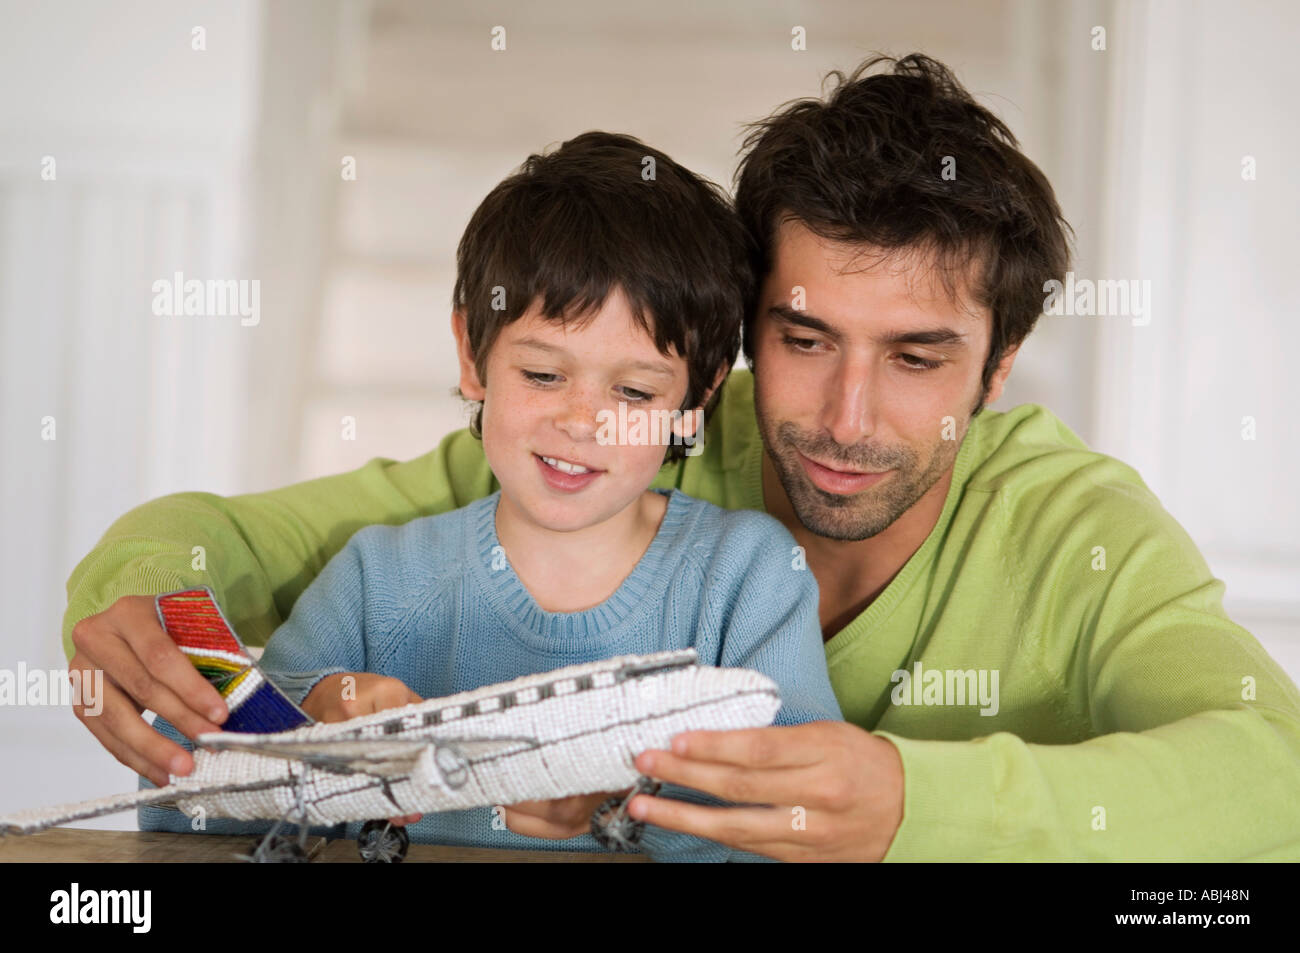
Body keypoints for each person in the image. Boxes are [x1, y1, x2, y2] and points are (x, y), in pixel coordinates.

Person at [64, 54, 1300, 861]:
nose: (847, 412)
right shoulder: (617, 450)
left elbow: (1273, 777)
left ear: (1001, 360)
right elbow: (232, 543)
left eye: (918, 357)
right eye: (804, 337)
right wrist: (124, 586)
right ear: (738, 334)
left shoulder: (1068, 525)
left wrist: (915, 801)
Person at [130, 131, 843, 860]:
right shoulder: (378, 581)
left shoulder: (747, 578)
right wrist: (314, 725)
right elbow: (182, 806)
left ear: (698, 398)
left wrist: (622, 808)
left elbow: (802, 825)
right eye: (542, 374)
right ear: (473, 355)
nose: (580, 420)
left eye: (632, 390)